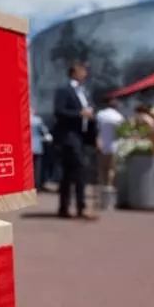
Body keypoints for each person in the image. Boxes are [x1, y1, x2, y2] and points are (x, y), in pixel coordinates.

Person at [52, 61, 98, 220]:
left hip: (83, 135)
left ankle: (63, 208)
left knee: (69, 173)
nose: (85, 74)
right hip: (69, 136)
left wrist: (91, 115)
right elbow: (59, 111)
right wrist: (80, 113)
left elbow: (90, 109)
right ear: (74, 73)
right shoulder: (64, 90)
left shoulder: (84, 92)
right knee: (80, 169)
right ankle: (81, 207)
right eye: (82, 71)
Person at [95, 99, 125, 189]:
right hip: (114, 145)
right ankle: (109, 187)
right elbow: (122, 132)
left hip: (101, 144)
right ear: (117, 107)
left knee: (101, 169)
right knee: (111, 169)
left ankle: (102, 186)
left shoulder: (100, 115)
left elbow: (96, 129)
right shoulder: (119, 117)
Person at [31, 107, 53, 191]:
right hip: (37, 147)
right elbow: (45, 131)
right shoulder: (37, 120)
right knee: (37, 168)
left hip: (25, 149)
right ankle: (36, 185)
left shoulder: (22, 119)